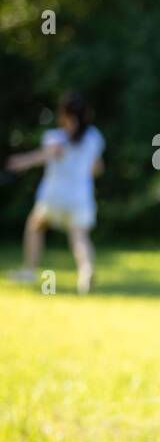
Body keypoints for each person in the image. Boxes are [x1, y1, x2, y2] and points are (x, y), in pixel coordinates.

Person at [5, 92, 105, 294]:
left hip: (54, 195)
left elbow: (42, 157)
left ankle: (29, 269)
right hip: (80, 197)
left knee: (35, 227)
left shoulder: (56, 138)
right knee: (79, 236)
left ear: (64, 115)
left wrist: (19, 162)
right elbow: (97, 168)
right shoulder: (94, 138)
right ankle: (86, 271)